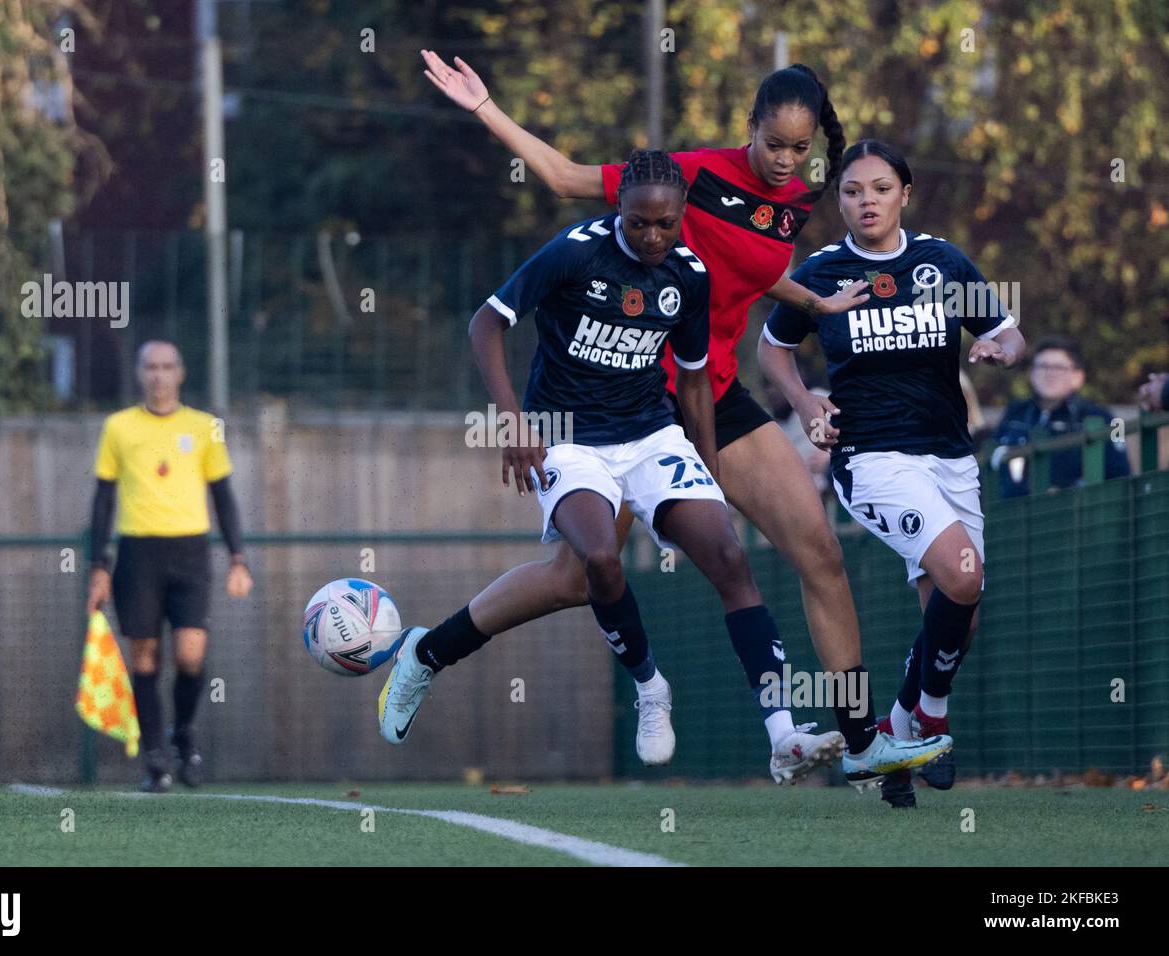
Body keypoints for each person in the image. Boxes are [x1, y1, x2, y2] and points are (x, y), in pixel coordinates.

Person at [419, 54, 931, 778]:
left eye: (800, 146)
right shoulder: (688, 174)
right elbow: (567, 179)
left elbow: (746, 264)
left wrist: (812, 302)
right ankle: (430, 649)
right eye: (774, 143)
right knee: (577, 577)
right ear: (748, 127)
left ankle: (858, 742)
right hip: (635, 400)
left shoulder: (797, 193)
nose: (786, 159)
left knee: (819, 551)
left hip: (714, 390)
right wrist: (483, 106)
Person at [759, 139, 1028, 807]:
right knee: (962, 573)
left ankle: (898, 729)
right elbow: (773, 349)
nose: (866, 201)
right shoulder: (819, 272)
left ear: (904, 193)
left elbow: (1011, 331)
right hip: (873, 458)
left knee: (957, 613)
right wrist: (804, 401)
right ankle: (930, 715)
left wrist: (999, 347)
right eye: (852, 192)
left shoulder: (942, 261)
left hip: (950, 455)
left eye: (880, 188)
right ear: (840, 202)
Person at [86, 341, 253, 792]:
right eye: (150, 367)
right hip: (138, 554)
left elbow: (223, 494)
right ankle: (155, 758)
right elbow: (102, 502)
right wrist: (98, 565)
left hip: (190, 554)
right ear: (140, 374)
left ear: (180, 373)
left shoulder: (205, 428)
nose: (158, 376)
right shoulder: (118, 427)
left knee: (189, 653)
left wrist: (239, 557)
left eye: (166, 367)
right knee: (145, 656)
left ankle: (184, 735)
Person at [991, 336, 1130, 497]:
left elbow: (1120, 475)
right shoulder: (1015, 412)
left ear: (1078, 377)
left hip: (1076, 514)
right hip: (1015, 513)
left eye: (1058, 368)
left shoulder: (1104, 418)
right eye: (1043, 366)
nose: (1050, 374)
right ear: (1031, 373)